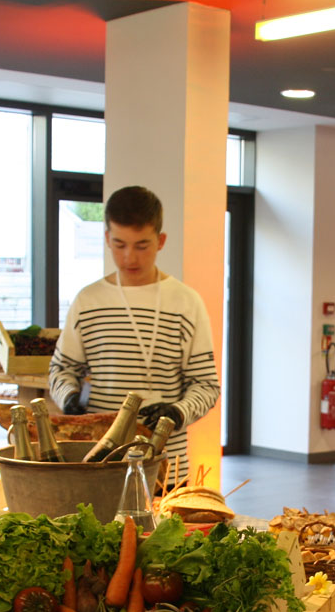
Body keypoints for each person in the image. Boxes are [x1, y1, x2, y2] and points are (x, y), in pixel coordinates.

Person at [49, 185, 219, 465]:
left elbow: (206, 385)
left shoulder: (186, 303)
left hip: (164, 464)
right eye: (120, 245)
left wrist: (178, 413)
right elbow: (61, 369)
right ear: (107, 238)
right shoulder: (87, 301)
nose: (130, 257)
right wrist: (69, 397)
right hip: (99, 462)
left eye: (142, 245)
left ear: (161, 241)